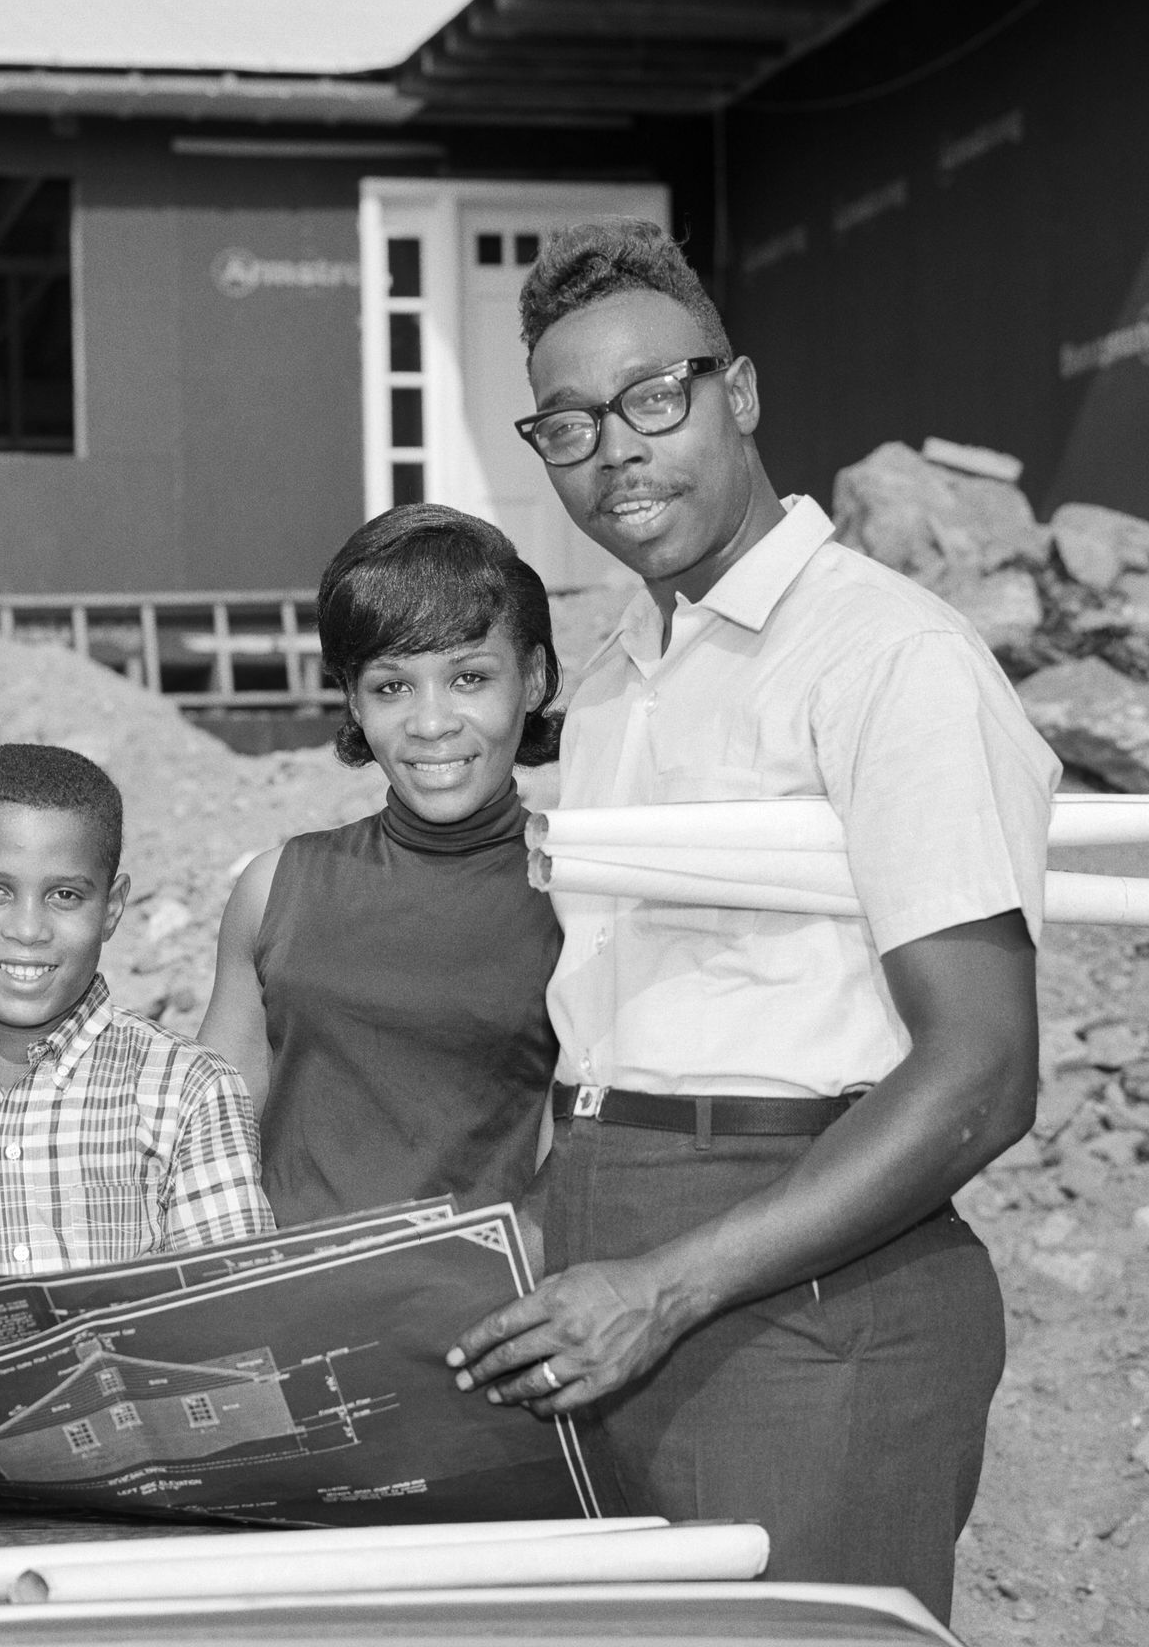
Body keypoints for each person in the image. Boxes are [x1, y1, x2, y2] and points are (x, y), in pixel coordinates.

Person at [446, 220, 1054, 1621]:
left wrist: (665, 1285)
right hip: (607, 1278)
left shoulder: (886, 659)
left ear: (744, 394)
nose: (618, 450)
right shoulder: (612, 681)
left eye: (655, 398)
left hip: (800, 1301)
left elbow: (982, 1074)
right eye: (570, 424)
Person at [199, 504, 562, 1226]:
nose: (431, 723)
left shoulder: (580, 896)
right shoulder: (277, 890)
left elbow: (584, 1154)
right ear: (354, 704)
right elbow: (206, 1143)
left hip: (488, 1317)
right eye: (392, 686)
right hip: (290, 1314)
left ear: (534, 678)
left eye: (469, 678)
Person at [0, 743, 273, 1284]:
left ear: (111, 909)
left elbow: (232, 1308)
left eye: (64, 895)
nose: (28, 929)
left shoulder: (189, 1091)